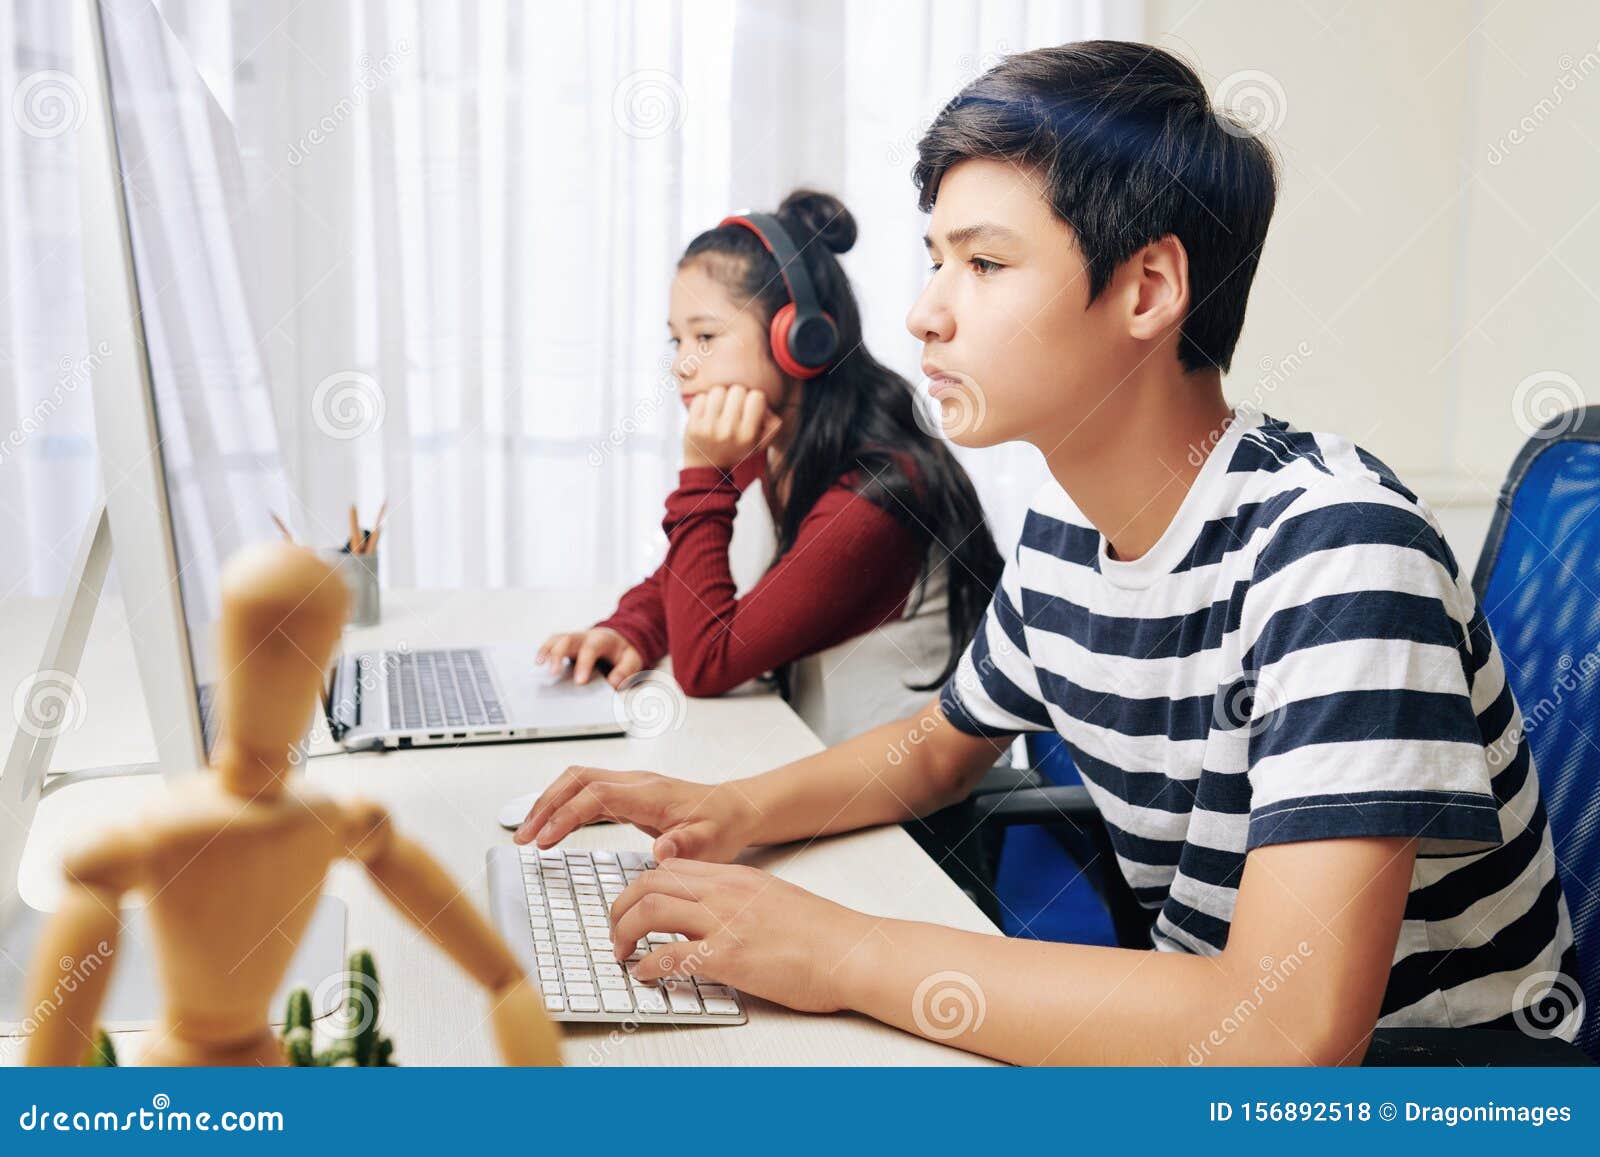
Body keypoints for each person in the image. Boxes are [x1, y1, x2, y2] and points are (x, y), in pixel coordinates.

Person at [513, 42, 1580, 1066]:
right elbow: (939, 744)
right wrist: (735, 810)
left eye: (982, 262)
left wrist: (843, 949)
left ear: (1149, 289)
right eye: (935, 260)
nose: (925, 313)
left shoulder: (1337, 551)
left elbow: (1291, 1037)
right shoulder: (1069, 528)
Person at [539, 190, 1002, 745]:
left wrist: (705, 477)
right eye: (677, 340)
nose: (682, 367)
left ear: (799, 339)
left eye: (706, 337)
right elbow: (682, 579)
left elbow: (706, 665)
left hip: (901, 822)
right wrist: (630, 629)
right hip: (806, 764)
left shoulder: (875, 495)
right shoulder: (778, 445)